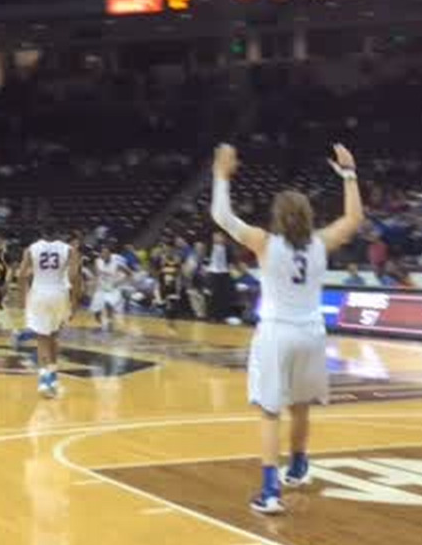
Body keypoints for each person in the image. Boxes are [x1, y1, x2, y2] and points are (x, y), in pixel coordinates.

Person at [210, 142, 365, 516]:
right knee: (300, 407)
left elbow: (222, 216)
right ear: (308, 217)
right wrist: (349, 174)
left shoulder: (265, 242)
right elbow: (354, 220)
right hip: (312, 334)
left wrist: (220, 176)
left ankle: (270, 491)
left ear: (278, 217)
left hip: (277, 333)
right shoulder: (321, 243)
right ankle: (296, 466)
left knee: (269, 412)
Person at [13, 223, 83, 398]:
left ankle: (44, 382)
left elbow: (21, 275)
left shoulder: (31, 249)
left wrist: (21, 299)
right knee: (54, 337)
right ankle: (53, 378)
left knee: (42, 340)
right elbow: (74, 277)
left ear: (41, 233)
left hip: (39, 294)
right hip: (59, 294)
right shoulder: (69, 250)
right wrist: (75, 302)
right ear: (59, 233)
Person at [89, 243, 128, 333]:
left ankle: (110, 323)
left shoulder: (117, 263)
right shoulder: (98, 261)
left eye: (105, 253)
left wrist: (119, 281)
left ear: (110, 254)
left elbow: (129, 273)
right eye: (102, 253)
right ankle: (101, 323)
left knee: (108, 303)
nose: (103, 254)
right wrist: (93, 283)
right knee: (96, 311)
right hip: (101, 287)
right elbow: (97, 273)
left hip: (112, 288)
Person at [154, 243, 184, 330]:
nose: (166, 250)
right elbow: (156, 271)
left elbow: (179, 272)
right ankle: (167, 321)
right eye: (165, 248)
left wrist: (178, 283)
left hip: (173, 284)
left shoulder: (176, 259)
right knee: (162, 304)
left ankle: (171, 324)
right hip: (162, 283)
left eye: (168, 248)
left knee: (172, 304)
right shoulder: (159, 259)